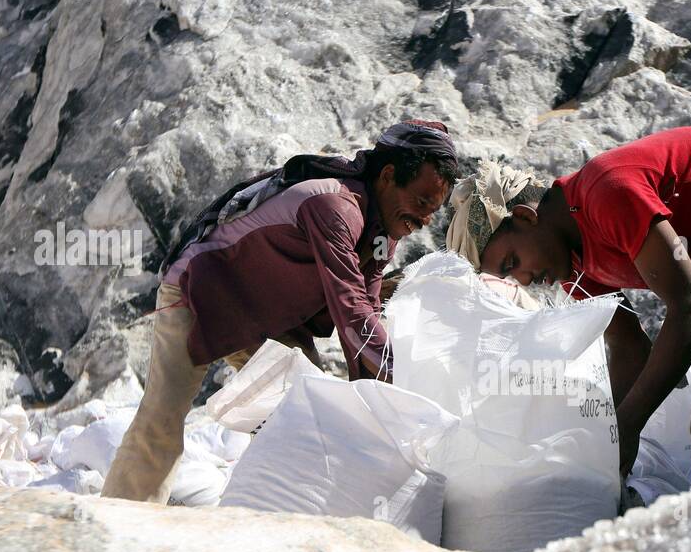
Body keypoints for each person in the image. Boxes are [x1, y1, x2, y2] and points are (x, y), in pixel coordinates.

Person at [455, 126, 691, 483]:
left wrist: (628, 424)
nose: (522, 280)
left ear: (525, 216)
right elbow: (629, 345)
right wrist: (611, 446)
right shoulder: (570, 265)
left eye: (511, 263)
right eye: (507, 276)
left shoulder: (607, 192)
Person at [102, 120, 459, 503]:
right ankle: (120, 517)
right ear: (388, 176)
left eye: (433, 212)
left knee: (308, 423)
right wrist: (409, 380)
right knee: (163, 417)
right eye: (422, 203)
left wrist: (380, 406)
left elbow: (366, 316)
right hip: (200, 291)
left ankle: (274, 521)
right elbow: (352, 311)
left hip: (269, 319)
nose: (424, 221)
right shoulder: (334, 205)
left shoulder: (379, 237)